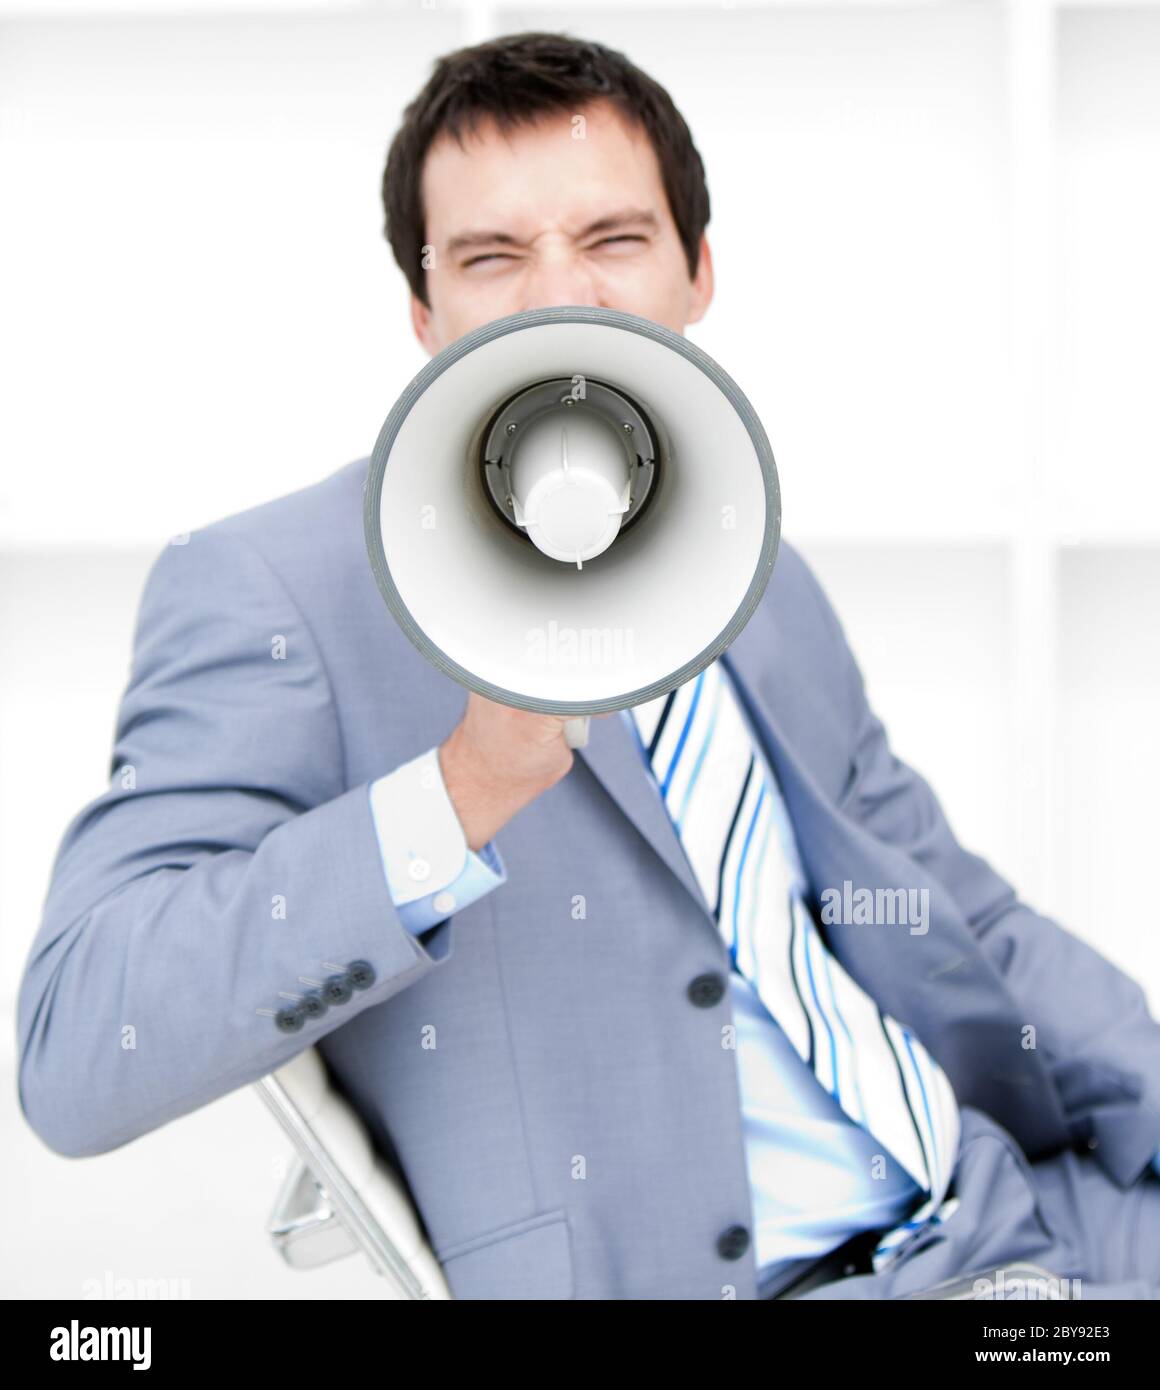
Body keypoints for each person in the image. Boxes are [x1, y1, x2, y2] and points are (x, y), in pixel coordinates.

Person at [17, 31, 1160, 1301]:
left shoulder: (752, 563)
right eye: (492, 257)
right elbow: (79, 1044)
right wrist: (452, 797)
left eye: (612, 240)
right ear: (423, 310)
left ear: (696, 274)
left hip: (1008, 1216)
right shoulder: (277, 588)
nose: (560, 299)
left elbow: (956, 911)